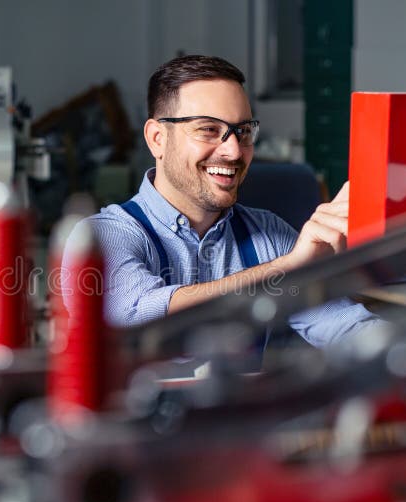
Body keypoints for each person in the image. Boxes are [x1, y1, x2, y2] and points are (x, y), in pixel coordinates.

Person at [64, 55, 377, 348]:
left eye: (243, 131)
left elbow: (347, 328)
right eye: (209, 130)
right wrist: (285, 268)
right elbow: (137, 317)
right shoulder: (100, 238)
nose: (234, 151)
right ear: (157, 139)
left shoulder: (270, 236)